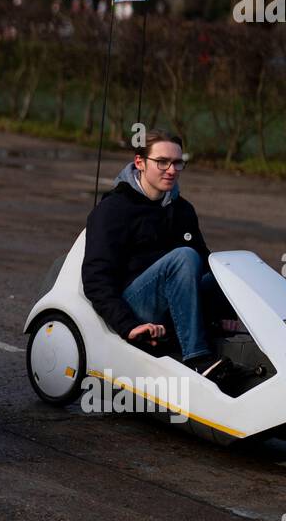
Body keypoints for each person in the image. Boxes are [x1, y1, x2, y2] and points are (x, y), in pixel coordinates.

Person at [81, 129, 238, 384]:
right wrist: (128, 325)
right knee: (184, 257)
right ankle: (197, 359)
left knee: (229, 270)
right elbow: (95, 278)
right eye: (162, 162)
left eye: (177, 162)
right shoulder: (112, 210)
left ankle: (256, 350)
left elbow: (205, 262)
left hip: (175, 298)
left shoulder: (183, 210)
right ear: (140, 163)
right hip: (135, 304)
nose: (171, 170)